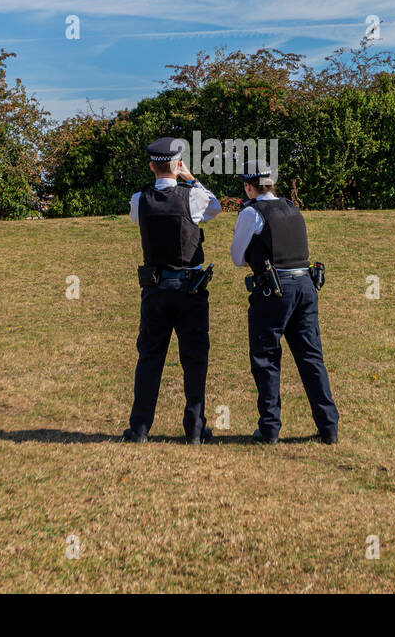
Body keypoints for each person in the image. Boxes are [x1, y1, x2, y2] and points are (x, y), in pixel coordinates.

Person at [230, 161, 339, 444]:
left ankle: (269, 428)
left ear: (249, 186)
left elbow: (237, 258)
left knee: (266, 360)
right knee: (311, 359)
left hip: (273, 290)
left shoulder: (251, 212)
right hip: (306, 285)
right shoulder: (293, 207)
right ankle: (329, 428)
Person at [123, 137, 221, 444]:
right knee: (194, 359)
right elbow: (215, 207)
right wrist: (190, 178)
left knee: (150, 357)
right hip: (190, 287)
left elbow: (135, 218)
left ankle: (139, 428)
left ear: (151, 165)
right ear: (177, 165)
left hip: (155, 286)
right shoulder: (191, 197)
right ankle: (194, 429)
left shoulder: (139, 200)